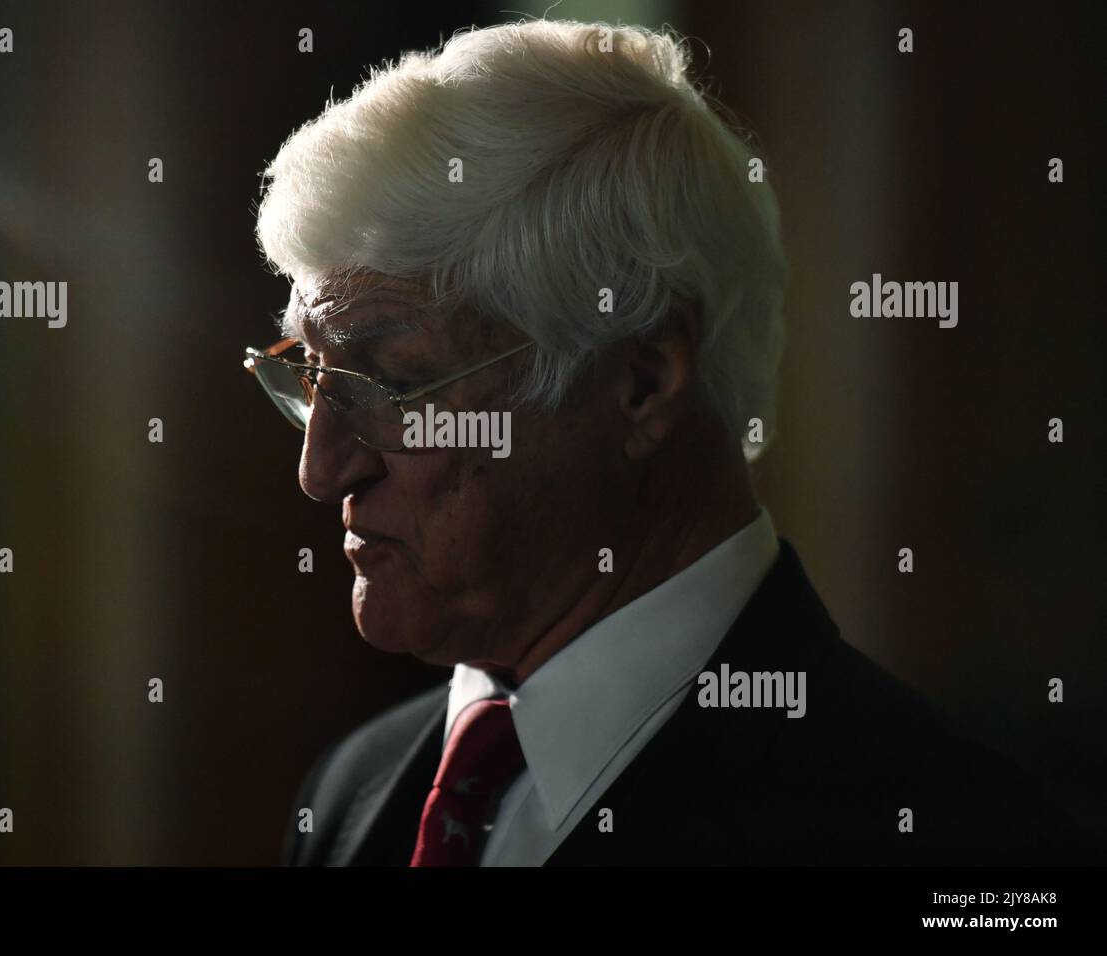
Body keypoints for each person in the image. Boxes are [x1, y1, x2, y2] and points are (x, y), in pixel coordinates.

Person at [246, 19, 1101, 865]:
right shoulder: (352, 792)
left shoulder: (954, 839)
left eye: (394, 383)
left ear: (643, 382)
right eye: (315, 376)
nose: (321, 472)